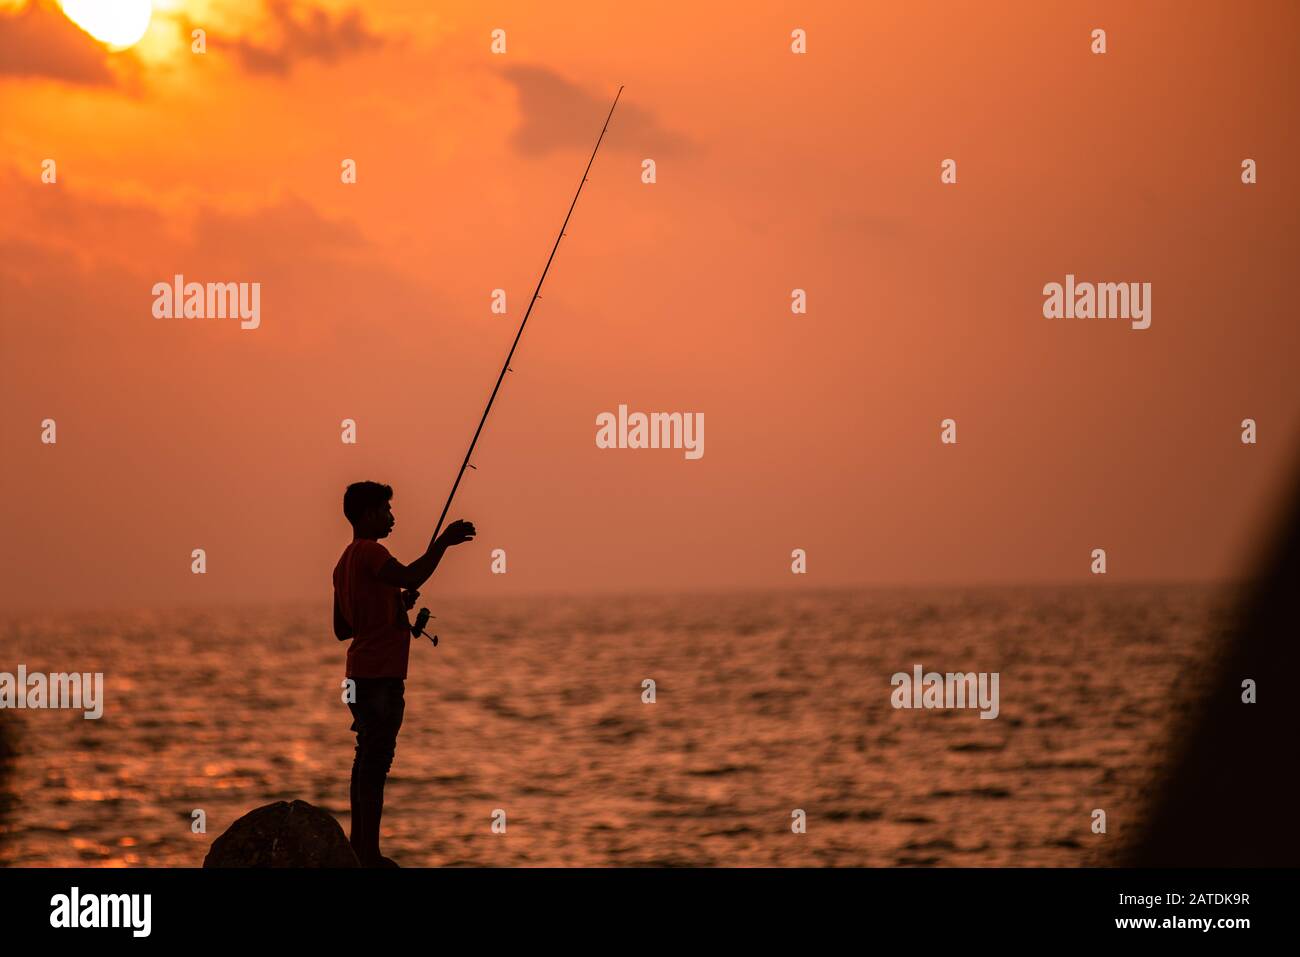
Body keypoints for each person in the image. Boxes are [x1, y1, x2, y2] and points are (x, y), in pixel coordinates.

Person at [332, 481, 475, 867]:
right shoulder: (371, 552)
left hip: (357, 676)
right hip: (380, 677)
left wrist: (393, 605)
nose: (392, 517)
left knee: (365, 759)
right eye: (386, 510)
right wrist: (443, 543)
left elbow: (343, 629)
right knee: (376, 763)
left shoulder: (344, 562)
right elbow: (411, 576)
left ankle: (358, 846)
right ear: (367, 515)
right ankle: (369, 853)